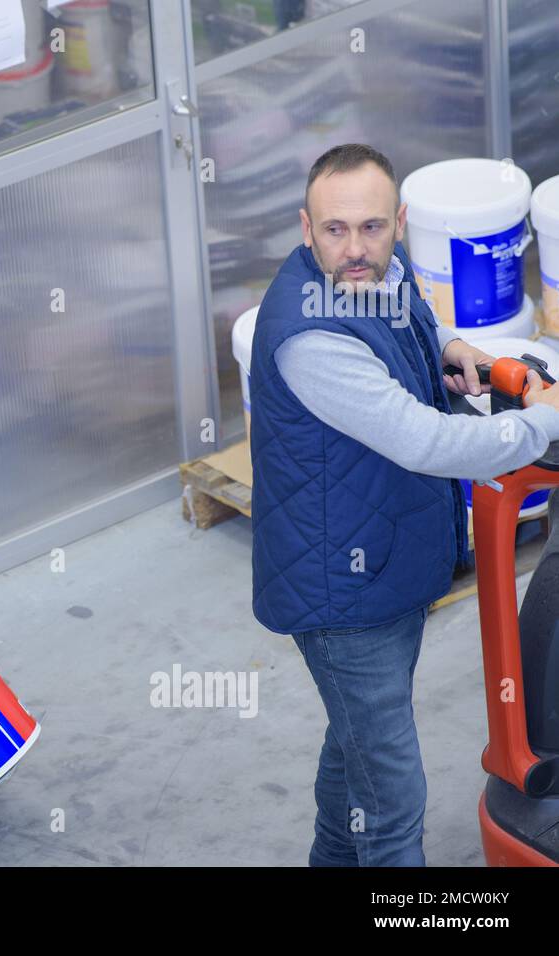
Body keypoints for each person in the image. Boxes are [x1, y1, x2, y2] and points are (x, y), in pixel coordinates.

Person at [250, 143, 559, 864]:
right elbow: (425, 443)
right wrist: (543, 423)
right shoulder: (311, 338)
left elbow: (410, 328)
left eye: (372, 227)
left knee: (352, 755)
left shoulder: (375, 277)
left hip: (384, 565)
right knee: (392, 803)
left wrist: (455, 357)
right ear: (305, 228)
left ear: (401, 223)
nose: (355, 249)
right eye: (335, 230)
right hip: (343, 598)